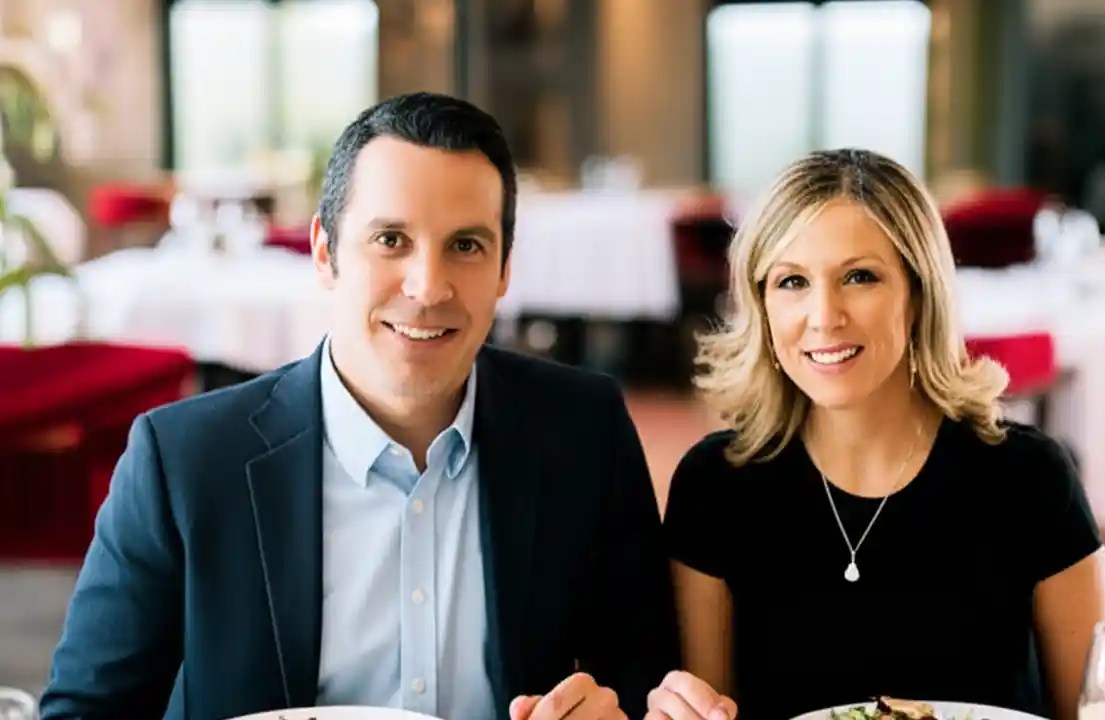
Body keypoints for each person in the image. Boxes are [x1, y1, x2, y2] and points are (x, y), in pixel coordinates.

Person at [41, 92, 677, 720]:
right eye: (391, 239)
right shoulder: (183, 460)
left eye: (466, 246)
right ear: (325, 252)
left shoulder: (583, 431)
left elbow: (644, 679)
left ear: (506, 269)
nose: (428, 287)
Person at [646, 149, 1105, 720]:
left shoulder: (1030, 478)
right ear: (762, 306)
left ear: (918, 293)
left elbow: (1094, 715)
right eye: (791, 281)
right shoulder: (714, 487)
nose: (823, 315)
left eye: (859, 277)